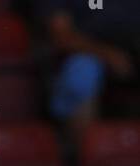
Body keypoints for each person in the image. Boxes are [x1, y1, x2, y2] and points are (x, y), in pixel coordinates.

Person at [37, 0, 139, 133]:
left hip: (133, 49)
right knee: (82, 71)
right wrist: (108, 55)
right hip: (84, 52)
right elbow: (62, 36)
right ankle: (83, 148)